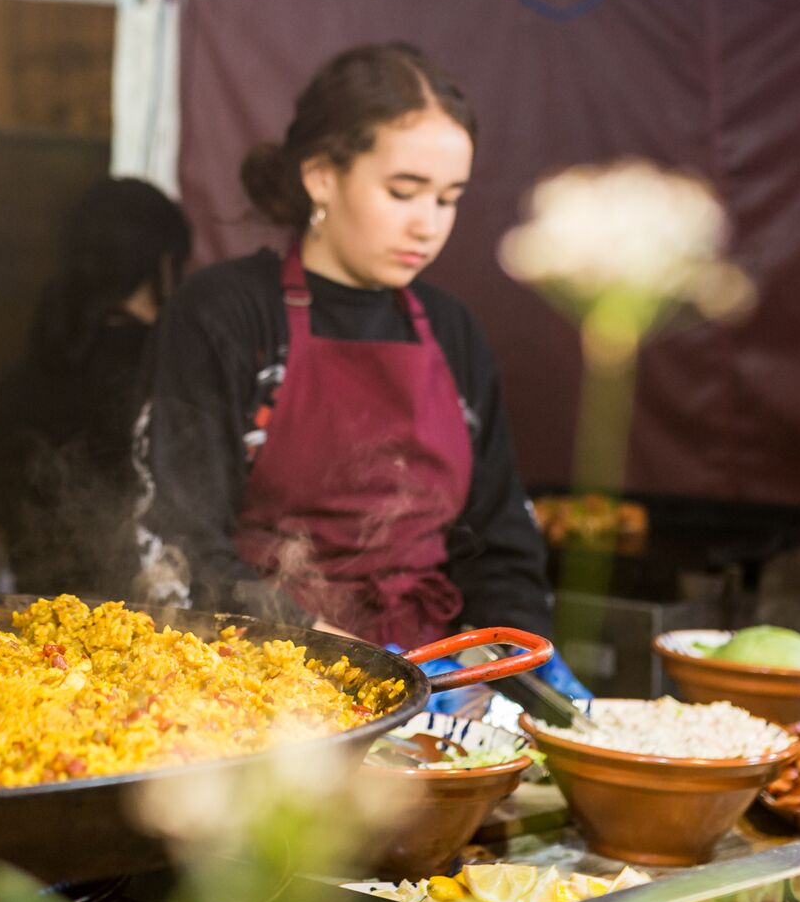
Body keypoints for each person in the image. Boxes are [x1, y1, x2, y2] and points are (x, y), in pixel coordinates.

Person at [136, 42, 565, 662]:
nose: (428, 224)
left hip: (439, 679)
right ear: (321, 176)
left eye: (447, 199)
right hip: (263, 673)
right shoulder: (227, 315)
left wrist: (500, 663)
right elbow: (179, 540)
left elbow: (502, 540)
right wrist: (335, 661)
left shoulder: (453, 332)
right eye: (403, 191)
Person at [0, 178, 192, 596]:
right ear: (164, 261)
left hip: (33, 611)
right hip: (138, 622)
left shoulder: (30, 371)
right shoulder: (165, 367)